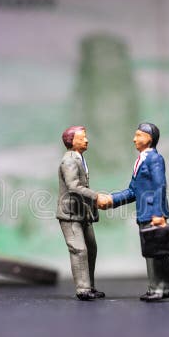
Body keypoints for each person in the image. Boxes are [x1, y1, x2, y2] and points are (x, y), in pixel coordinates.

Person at [97, 123, 169, 302]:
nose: (134, 139)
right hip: (144, 213)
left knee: (157, 252)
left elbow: (160, 186)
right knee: (151, 252)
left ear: (149, 138)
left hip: (153, 214)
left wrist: (158, 213)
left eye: (138, 135)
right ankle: (157, 286)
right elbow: (133, 190)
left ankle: (161, 288)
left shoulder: (154, 159)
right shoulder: (141, 160)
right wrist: (112, 200)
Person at [57, 126, 106, 301]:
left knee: (91, 249)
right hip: (70, 214)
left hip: (82, 212)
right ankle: (83, 289)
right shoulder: (69, 160)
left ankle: (90, 286)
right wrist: (96, 197)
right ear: (72, 141)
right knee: (79, 250)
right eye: (82, 138)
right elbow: (73, 186)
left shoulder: (79, 158)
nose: (86, 140)